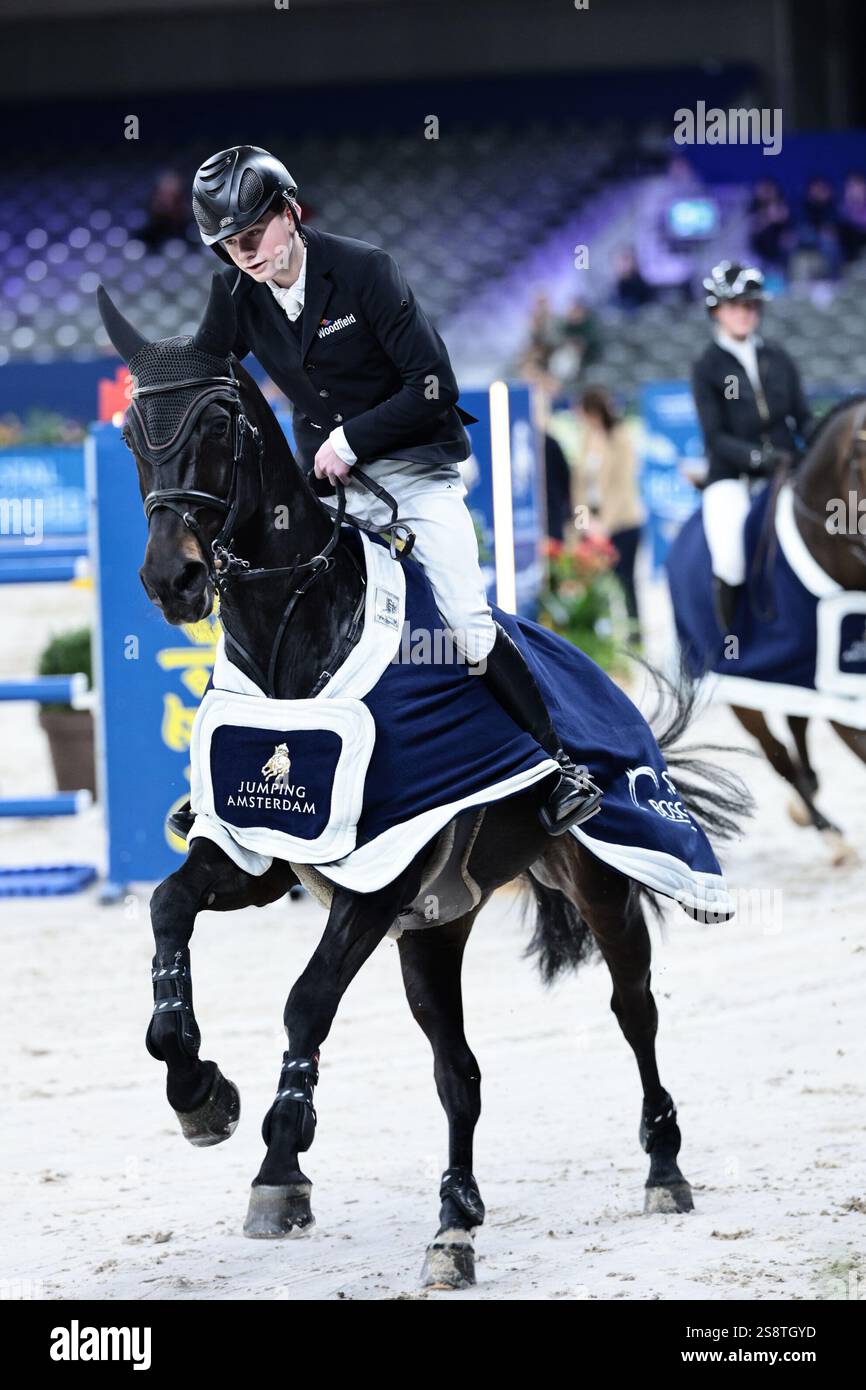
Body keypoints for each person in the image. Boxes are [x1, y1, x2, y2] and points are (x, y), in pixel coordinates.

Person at [190, 145, 601, 834]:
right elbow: (203, 369)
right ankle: (222, 786)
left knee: (465, 625)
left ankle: (559, 766)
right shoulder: (236, 293)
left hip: (414, 473)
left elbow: (434, 383)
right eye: (230, 245)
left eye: (252, 234)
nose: (245, 253)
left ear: (288, 212)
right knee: (265, 619)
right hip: (329, 495)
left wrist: (351, 441)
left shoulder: (363, 270)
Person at [691, 261, 812, 632]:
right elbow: (716, 438)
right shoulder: (708, 366)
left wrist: (813, 448)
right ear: (717, 310)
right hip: (733, 477)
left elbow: (802, 417)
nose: (744, 313)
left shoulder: (778, 357)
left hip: (787, 471)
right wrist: (764, 459)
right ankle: (733, 646)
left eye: (750, 305)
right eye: (734, 306)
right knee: (730, 557)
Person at [572, 387, 645, 643]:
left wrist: (605, 525)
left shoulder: (621, 438)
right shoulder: (585, 439)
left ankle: (635, 634)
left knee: (625, 580)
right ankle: (599, 636)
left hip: (623, 521)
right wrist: (583, 522)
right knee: (592, 582)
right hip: (591, 521)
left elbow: (622, 486)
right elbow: (579, 485)